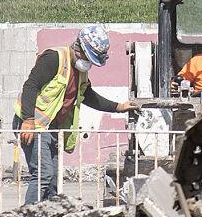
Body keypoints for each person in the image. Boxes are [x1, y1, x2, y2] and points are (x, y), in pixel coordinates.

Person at [13, 24, 133, 205]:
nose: (89, 63)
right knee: (43, 174)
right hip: (33, 125)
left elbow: (88, 97)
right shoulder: (54, 58)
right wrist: (28, 120)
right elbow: (31, 86)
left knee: (53, 179)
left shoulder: (80, 73)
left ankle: (47, 216)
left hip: (51, 129)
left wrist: (118, 107)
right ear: (79, 48)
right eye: (89, 58)